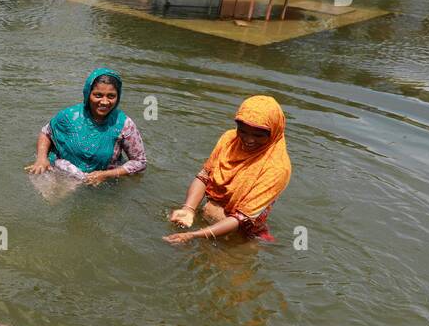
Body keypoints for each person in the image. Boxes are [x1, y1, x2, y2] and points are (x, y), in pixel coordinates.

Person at [166, 95, 291, 244]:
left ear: (274, 133)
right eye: (243, 131)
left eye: (258, 135)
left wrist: (194, 235)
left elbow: (241, 218)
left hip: (242, 234)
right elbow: (204, 176)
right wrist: (188, 209)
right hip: (210, 215)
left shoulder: (277, 168)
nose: (249, 139)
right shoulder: (229, 139)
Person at [25, 67, 147, 185]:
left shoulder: (124, 124)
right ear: (88, 94)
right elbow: (46, 133)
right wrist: (41, 158)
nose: (104, 102)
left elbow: (139, 162)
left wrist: (106, 175)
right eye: (98, 95)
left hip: (105, 181)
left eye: (111, 96)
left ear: (118, 96)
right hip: (63, 171)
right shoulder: (69, 116)